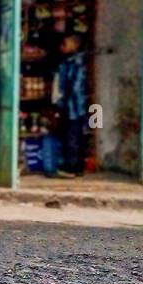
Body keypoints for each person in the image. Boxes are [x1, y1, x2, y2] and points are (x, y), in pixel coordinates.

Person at [50, 32, 89, 177]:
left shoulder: (76, 63)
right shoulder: (67, 62)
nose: (62, 47)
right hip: (72, 105)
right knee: (72, 136)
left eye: (65, 44)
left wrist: (62, 101)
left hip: (74, 106)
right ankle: (75, 167)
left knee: (72, 137)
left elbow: (75, 87)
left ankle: (72, 167)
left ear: (74, 45)